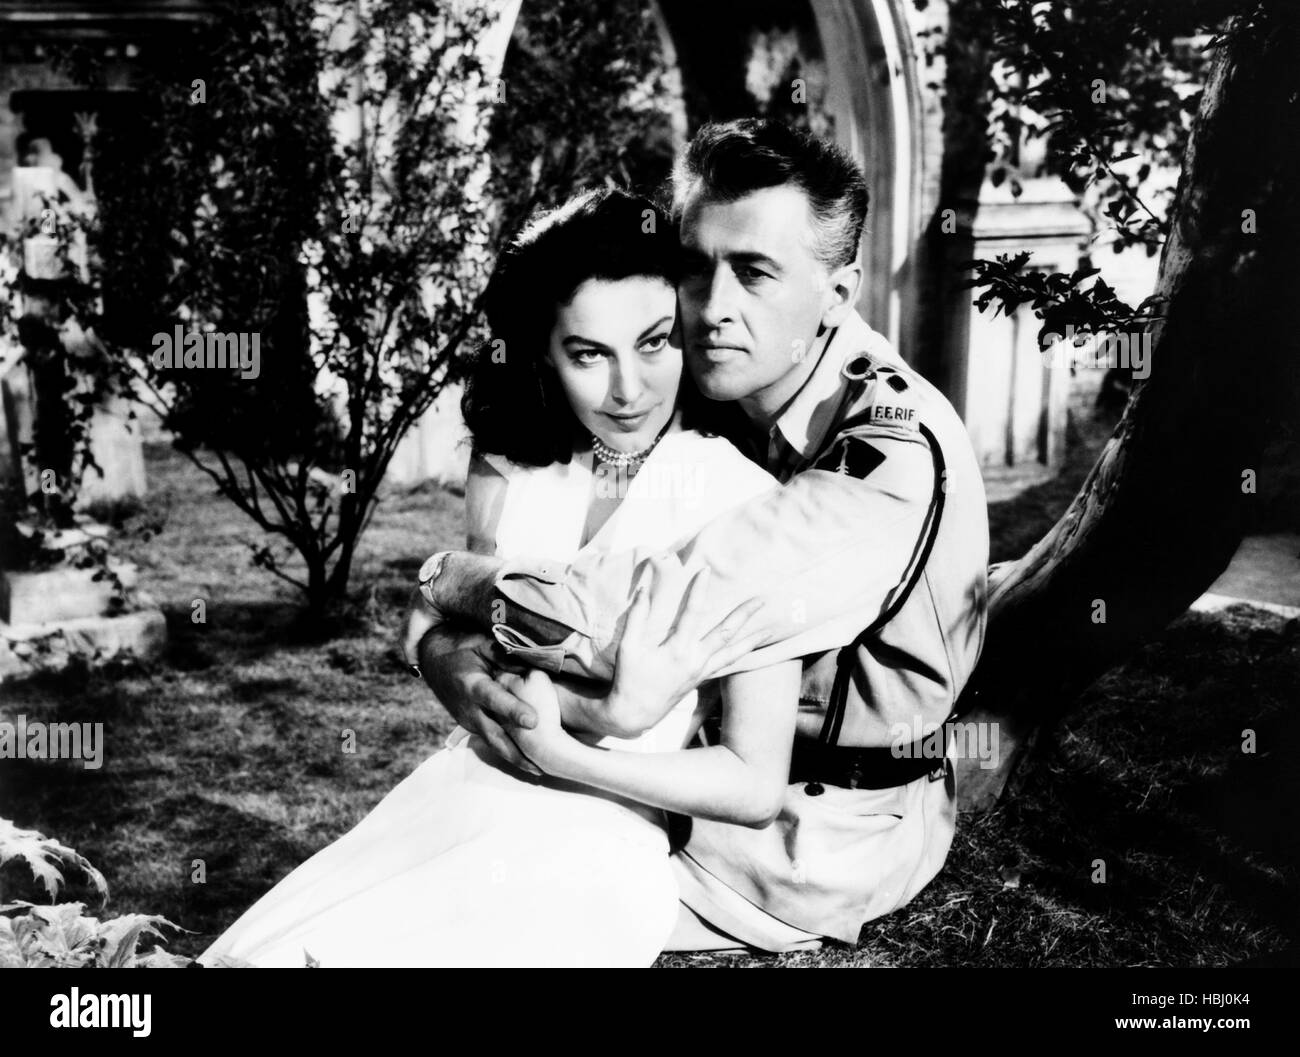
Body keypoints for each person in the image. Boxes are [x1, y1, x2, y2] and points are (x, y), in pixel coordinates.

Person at [409, 118, 990, 952]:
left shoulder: (891, 454)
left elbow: (642, 609)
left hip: (803, 835)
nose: (713, 310)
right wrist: (442, 654)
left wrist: (442, 582)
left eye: (754, 273)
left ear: (839, 292)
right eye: (694, 268)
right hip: (679, 767)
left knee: (482, 895)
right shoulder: (731, 383)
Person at [199, 188, 805, 968]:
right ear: (544, 353)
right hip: (458, 791)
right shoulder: (516, 464)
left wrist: (570, 759)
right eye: (589, 353)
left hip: (597, 838)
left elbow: (754, 781)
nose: (629, 389)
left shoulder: (744, 502)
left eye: (655, 342)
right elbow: (434, 615)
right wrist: (438, 659)